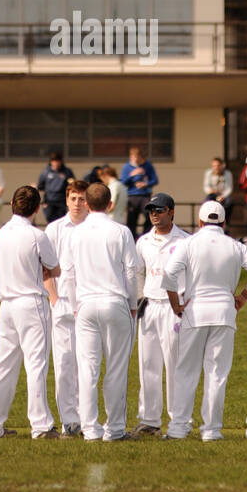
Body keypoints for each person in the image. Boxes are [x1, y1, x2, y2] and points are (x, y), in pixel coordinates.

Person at [162, 200, 247, 441]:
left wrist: (175, 305)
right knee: (217, 373)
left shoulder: (188, 243)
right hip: (224, 313)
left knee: (185, 371)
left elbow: (169, 275)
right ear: (223, 222)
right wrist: (243, 296)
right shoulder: (234, 246)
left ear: (200, 222)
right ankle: (211, 430)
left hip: (195, 311)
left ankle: (179, 428)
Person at [60, 181, 139, 441]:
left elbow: (68, 274)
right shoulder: (121, 231)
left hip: (85, 303)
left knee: (87, 368)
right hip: (114, 300)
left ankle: (91, 428)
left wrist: (73, 305)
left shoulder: (75, 233)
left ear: (87, 203)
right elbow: (130, 271)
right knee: (116, 368)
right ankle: (114, 428)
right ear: (111, 204)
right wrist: (132, 303)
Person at [0, 185, 60, 439]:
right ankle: (41, 425)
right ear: (37, 209)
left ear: (13, 205)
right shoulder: (37, 235)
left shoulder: (2, 233)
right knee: (36, 364)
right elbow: (55, 268)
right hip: (31, 301)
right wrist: (44, 269)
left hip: (7, 304)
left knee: (3, 365)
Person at [131, 193, 190, 437]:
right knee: (148, 363)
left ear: (171, 211)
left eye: (160, 209)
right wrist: (137, 299)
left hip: (173, 307)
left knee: (174, 364)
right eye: (151, 210)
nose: (154, 214)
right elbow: (137, 272)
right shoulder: (143, 241)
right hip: (149, 306)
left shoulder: (185, 240)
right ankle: (149, 419)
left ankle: (179, 421)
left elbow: (193, 275)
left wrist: (185, 303)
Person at [44, 179, 89, 437]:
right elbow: (45, 268)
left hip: (88, 304)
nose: (77, 204)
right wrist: (54, 298)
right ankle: (69, 419)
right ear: (67, 199)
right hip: (61, 304)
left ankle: (87, 418)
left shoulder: (94, 228)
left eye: (81, 199)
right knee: (64, 363)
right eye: (73, 198)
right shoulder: (54, 229)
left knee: (87, 363)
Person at [120, 146, 159, 238]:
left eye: (138, 157)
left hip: (145, 195)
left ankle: (146, 235)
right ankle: (132, 238)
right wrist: (132, 175)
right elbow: (123, 182)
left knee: (149, 216)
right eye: (134, 157)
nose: (136, 159)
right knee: (131, 219)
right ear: (131, 157)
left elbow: (155, 180)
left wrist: (145, 184)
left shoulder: (148, 165)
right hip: (132, 196)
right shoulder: (127, 167)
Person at [37, 151, 75, 224]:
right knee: (50, 220)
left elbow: (72, 185)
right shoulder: (46, 172)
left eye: (57, 161)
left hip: (61, 201)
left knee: (61, 221)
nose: (56, 163)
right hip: (49, 201)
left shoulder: (66, 171)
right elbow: (40, 186)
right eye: (54, 161)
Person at [203, 156, 234, 227]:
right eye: (214, 166)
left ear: (222, 166)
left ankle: (225, 221)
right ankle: (207, 221)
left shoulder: (227, 174)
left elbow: (229, 188)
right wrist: (210, 191)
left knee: (229, 202)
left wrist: (222, 196)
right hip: (212, 194)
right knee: (206, 202)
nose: (216, 168)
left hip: (223, 195)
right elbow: (206, 186)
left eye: (218, 166)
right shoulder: (208, 173)